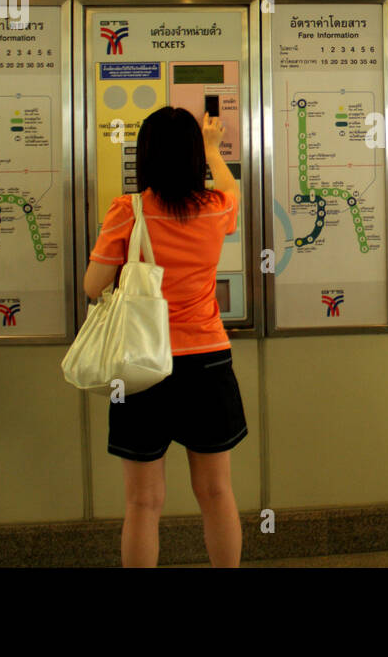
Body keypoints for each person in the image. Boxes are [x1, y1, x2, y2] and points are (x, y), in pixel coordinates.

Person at [84, 105, 245, 568]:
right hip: (207, 362)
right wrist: (214, 149)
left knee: (142, 503)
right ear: (193, 156)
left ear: (145, 157)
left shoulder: (126, 211)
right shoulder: (215, 210)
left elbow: (93, 288)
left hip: (140, 366)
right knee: (216, 493)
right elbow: (231, 187)